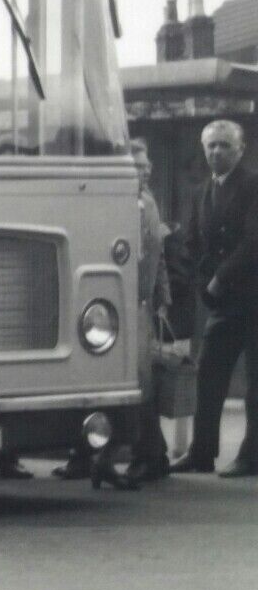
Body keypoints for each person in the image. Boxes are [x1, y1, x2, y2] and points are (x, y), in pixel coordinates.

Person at [53, 138, 172, 485]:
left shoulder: (148, 202)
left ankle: (142, 456)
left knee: (140, 386)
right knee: (118, 384)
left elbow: (157, 254)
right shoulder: (110, 203)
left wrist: (163, 297)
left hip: (139, 306)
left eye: (147, 165)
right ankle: (117, 456)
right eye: (138, 165)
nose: (146, 170)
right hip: (110, 310)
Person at [169, 119, 258, 476]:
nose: (216, 152)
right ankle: (202, 452)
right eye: (211, 146)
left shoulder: (253, 185)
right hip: (222, 303)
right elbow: (193, 242)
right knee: (208, 377)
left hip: (253, 298)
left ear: (241, 149)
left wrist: (220, 278)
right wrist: (199, 281)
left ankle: (252, 457)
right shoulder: (202, 191)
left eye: (224, 145)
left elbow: (254, 241)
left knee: (256, 383)